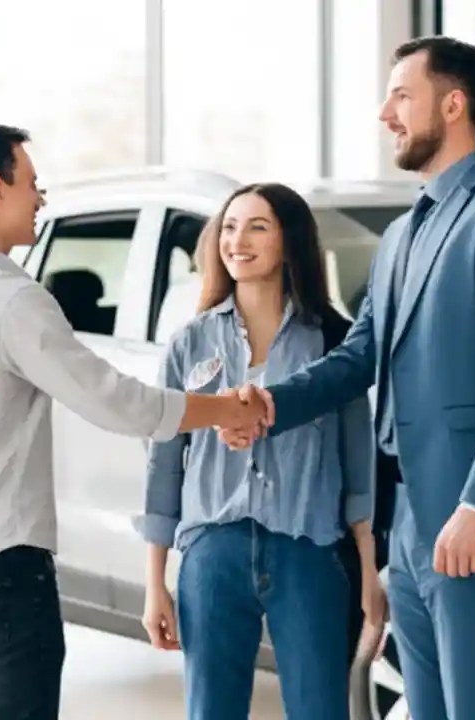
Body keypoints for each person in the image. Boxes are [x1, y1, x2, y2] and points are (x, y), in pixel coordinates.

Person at [0, 120, 267, 720]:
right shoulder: (13, 301)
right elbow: (117, 402)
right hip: (2, 575)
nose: (40, 198)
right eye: (31, 183)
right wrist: (224, 408)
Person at [225, 37, 475, 720]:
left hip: (472, 518)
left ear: (454, 103)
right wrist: (268, 404)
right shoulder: (405, 235)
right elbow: (357, 357)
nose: (386, 113)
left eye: (401, 95)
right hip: (408, 521)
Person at [138, 183, 387, 720]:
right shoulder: (190, 343)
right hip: (212, 554)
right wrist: (155, 583)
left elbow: (357, 463)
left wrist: (368, 570)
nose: (237, 240)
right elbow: (164, 467)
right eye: (229, 226)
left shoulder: (333, 342)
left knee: (322, 710)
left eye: (257, 226)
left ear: (289, 240)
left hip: (309, 553)